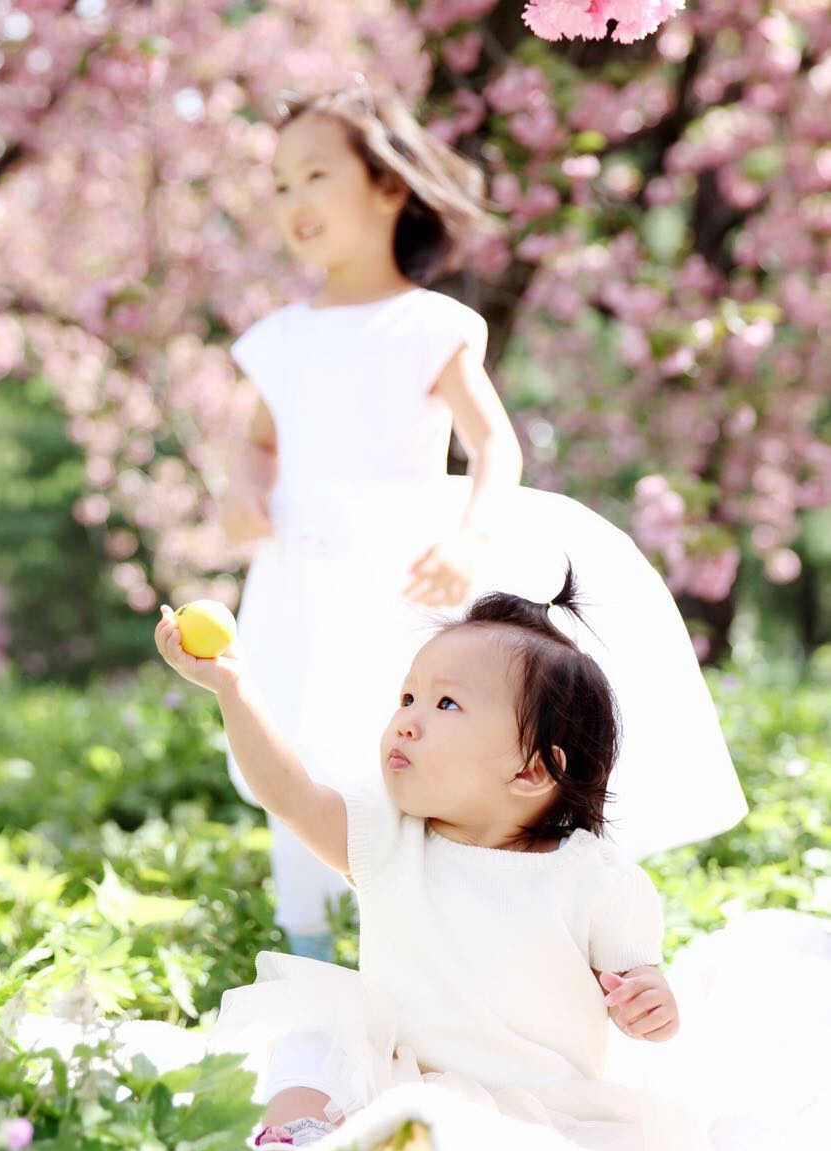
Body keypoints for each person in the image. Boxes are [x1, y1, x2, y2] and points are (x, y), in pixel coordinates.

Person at [220, 82, 745, 962]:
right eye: (278, 185)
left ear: (389, 186)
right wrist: (246, 490)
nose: (293, 201)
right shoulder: (281, 338)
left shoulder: (427, 326)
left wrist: (467, 539)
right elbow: (261, 443)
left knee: (405, 733)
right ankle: (306, 944)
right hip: (300, 569)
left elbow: (494, 448)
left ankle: (460, 923)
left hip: (399, 569)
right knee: (300, 732)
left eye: (314, 175)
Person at [155, 567, 721, 1151]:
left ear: (533, 770)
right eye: (406, 699)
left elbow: (637, 979)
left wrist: (650, 1001)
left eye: (445, 703)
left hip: (539, 1106)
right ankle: (301, 1150)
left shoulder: (592, 879)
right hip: (401, 1079)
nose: (407, 721)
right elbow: (289, 795)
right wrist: (233, 687)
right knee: (311, 1040)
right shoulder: (390, 835)